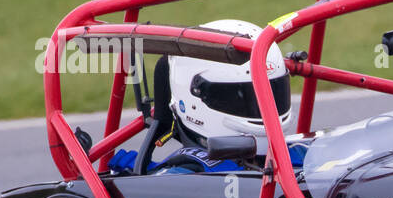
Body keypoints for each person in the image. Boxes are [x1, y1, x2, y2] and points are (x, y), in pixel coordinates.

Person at [109, 19, 306, 174]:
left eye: (273, 92)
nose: (264, 107)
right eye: (242, 96)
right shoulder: (184, 180)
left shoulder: (303, 155)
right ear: (195, 100)